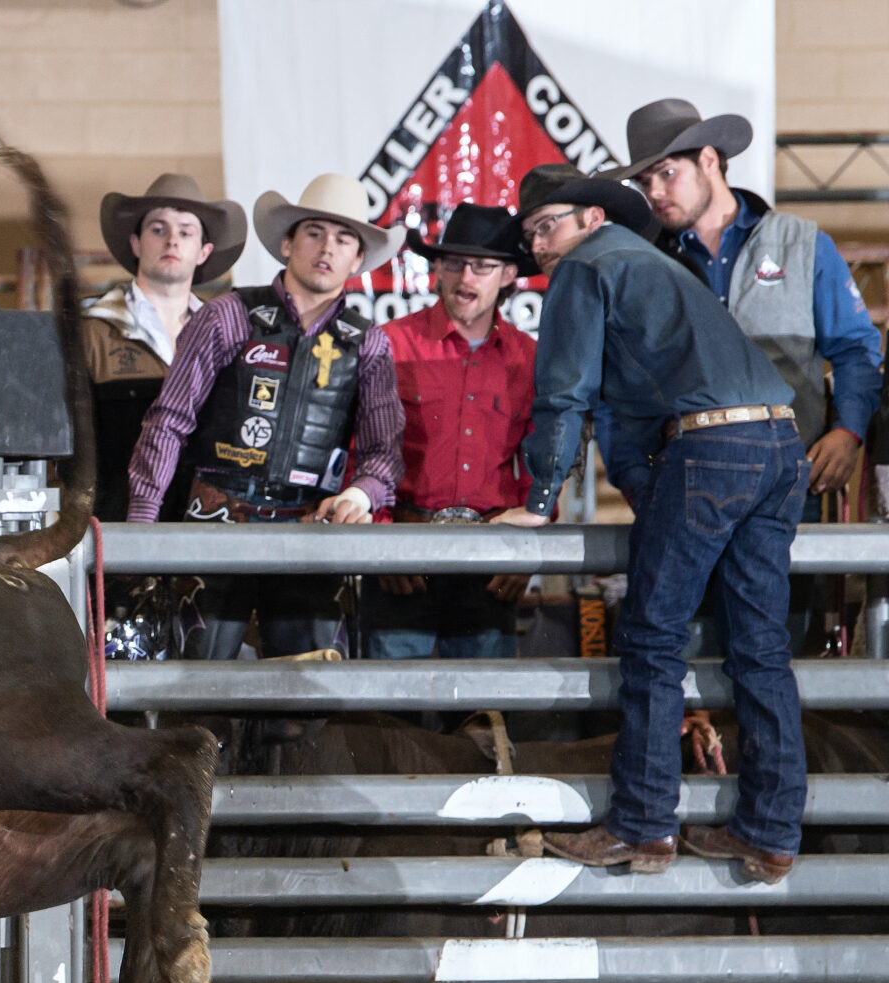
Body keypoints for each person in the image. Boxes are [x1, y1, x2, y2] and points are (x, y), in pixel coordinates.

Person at [494, 166, 806, 884]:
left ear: (593, 220)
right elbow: (631, 407)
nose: (541, 243)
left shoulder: (585, 268)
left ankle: (642, 824)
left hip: (708, 450)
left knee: (652, 635)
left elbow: (565, 389)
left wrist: (541, 495)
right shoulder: (659, 270)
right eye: (533, 231)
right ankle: (770, 831)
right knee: (759, 646)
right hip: (778, 442)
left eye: (551, 224)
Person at [127, 173, 404, 659]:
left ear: (358, 259)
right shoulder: (228, 315)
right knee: (197, 688)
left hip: (309, 526)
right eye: (315, 232)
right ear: (287, 242)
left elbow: (385, 453)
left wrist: (363, 492)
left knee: (311, 697)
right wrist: (142, 527)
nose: (327, 248)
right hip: (215, 516)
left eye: (344, 239)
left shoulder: (368, 344)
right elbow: (169, 420)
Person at [620, 98, 882, 516]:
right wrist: (635, 476)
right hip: (684, 486)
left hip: (792, 479)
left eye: (667, 174)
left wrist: (847, 432)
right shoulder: (641, 265)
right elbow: (620, 384)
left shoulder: (803, 244)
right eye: (644, 182)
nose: (654, 192)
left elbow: (855, 350)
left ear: (708, 160)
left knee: (793, 583)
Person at [362, 205, 540, 660]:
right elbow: (359, 446)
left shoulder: (530, 357)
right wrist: (378, 542)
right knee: (388, 716)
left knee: (484, 714)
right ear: (436, 267)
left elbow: (542, 459)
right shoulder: (388, 343)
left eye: (483, 266)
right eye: (456, 262)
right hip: (401, 550)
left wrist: (530, 548)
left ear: (507, 275)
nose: (467, 278)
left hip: (492, 557)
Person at [84, 173, 245, 521]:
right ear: (136, 243)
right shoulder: (92, 332)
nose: (172, 240)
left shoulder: (231, 341)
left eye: (186, 232)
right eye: (158, 229)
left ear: (204, 251)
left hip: (207, 533)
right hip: (114, 528)